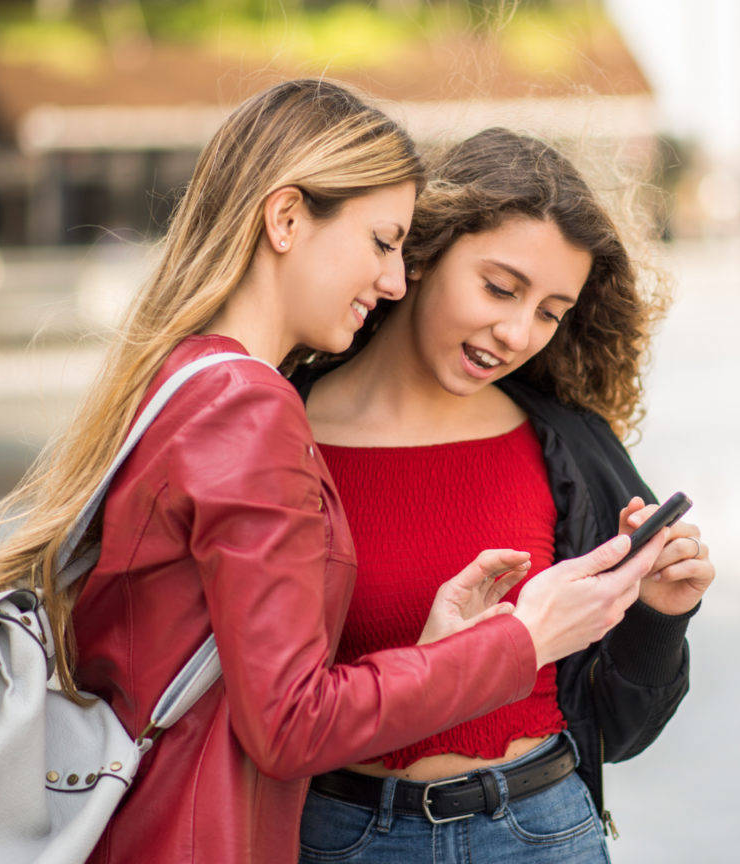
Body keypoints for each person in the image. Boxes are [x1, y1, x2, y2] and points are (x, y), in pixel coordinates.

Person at [0, 81, 670, 864]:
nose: (395, 276)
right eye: (385, 242)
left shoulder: (188, 378)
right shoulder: (251, 409)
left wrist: (437, 646)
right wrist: (521, 638)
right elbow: (290, 725)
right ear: (286, 217)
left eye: (550, 311)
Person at [292, 128, 715, 862]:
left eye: (550, 312)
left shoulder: (569, 448)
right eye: (499, 287)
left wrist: (660, 615)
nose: (518, 332)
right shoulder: (282, 432)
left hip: (544, 830)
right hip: (341, 838)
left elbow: (621, 728)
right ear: (419, 254)